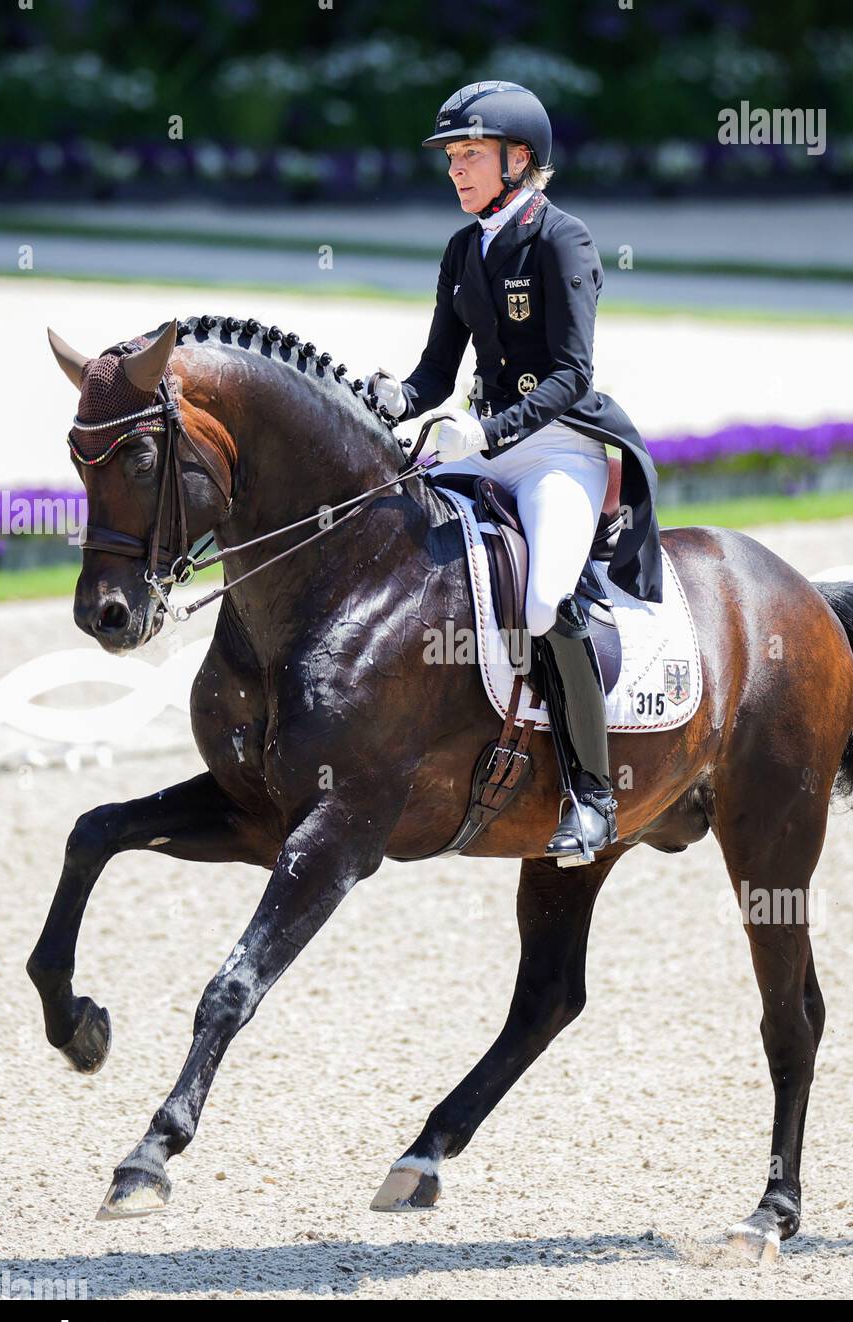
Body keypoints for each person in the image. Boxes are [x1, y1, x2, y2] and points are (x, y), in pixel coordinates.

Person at [364, 80, 663, 866]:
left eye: (470, 155)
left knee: (543, 599)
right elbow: (436, 372)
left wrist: (486, 431)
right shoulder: (465, 248)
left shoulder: (563, 240)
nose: (456, 170)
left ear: (517, 159)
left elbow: (571, 374)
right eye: (452, 157)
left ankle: (592, 797)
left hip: (558, 449)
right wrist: (395, 395)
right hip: (480, 442)